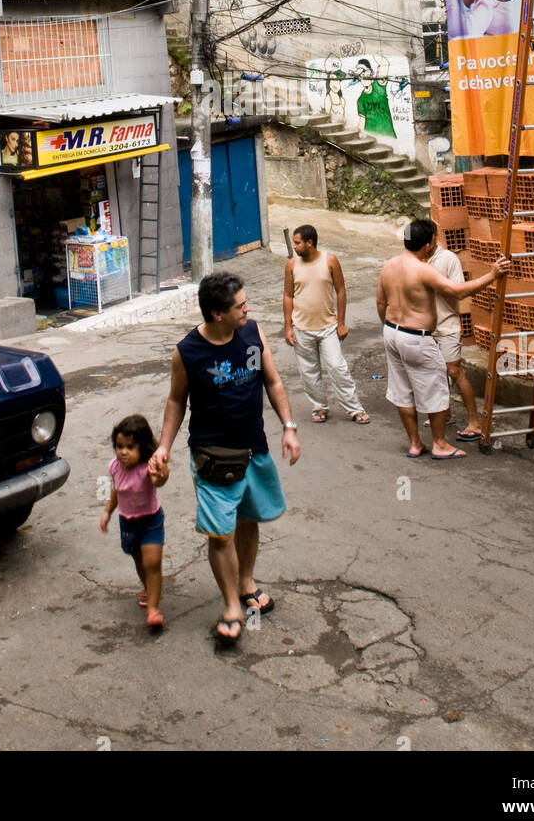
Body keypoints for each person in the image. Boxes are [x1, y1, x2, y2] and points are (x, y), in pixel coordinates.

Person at [150, 271, 301, 644]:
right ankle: (232, 605)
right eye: (240, 306)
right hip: (213, 457)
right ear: (218, 313)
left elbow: (273, 381)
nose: (247, 309)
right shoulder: (188, 352)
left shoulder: (252, 334)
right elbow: (176, 401)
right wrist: (164, 446)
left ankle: (246, 583)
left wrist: (289, 426)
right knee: (220, 534)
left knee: (249, 520)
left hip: (255, 450)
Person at [376, 219, 510, 459]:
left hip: (391, 332)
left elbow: (380, 302)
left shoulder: (389, 266)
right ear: (428, 245)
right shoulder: (423, 269)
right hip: (415, 336)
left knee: (402, 390)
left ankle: (415, 443)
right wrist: (492, 275)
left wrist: (390, 328)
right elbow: (457, 291)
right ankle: (439, 444)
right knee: (436, 389)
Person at [283, 224, 370, 424]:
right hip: (301, 328)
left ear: (309, 242)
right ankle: (319, 406)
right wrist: (288, 327)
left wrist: (341, 323)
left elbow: (341, 291)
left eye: (297, 243)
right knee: (309, 372)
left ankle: (355, 408)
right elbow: (288, 296)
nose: (294, 246)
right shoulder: (291, 265)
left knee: (337, 367)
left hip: (328, 327)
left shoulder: (329, 261)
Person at [99, 414, 169, 631]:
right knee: (139, 561)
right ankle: (148, 588)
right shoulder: (114, 467)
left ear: (143, 447)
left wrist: (161, 473)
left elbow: (161, 478)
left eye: (130, 447)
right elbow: (117, 491)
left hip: (151, 520)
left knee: (152, 562)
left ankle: (153, 610)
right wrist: (107, 511)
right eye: (119, 446)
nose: (123, 452)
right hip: (128, 523)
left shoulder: (147, 467)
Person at [429, 240, 482, 441]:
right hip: (427, 327)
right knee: (435, 372)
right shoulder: (418, 258)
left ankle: (475, 423)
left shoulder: (448, 259)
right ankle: (446, 414)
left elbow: (459, 290)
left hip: (448, 325)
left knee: (454, 371)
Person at [354, 58, 397, 138]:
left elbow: (384, 63)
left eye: (366, 73)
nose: (364, 77)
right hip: (372, 139)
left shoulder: (378, 86)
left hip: (388, 136)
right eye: (361, 75)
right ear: (359, 78)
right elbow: (362, 123)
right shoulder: (361, 100)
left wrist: (373, 47)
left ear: (371, 73)